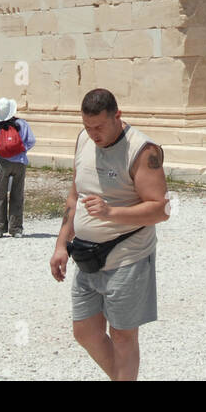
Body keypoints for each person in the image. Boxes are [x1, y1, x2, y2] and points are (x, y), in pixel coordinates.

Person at [50, 88, 167, 381]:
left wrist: (111, 213)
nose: (93, 134)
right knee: (85, 331)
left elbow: (161, 210)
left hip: (129, 257)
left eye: (99, 127)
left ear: (118, 116)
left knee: (123, 335)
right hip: (87, 255)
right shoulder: (83, 139)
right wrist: (61, 244)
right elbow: (74, 197)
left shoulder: (143, 151)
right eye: (88, 127)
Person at [0, 97, 35, 238]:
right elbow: (31, 141)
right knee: (17, 195)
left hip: (3, 163)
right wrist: (22, 150)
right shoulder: (22, 124)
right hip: (19, 162)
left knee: (1, 195)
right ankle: (16, 228)